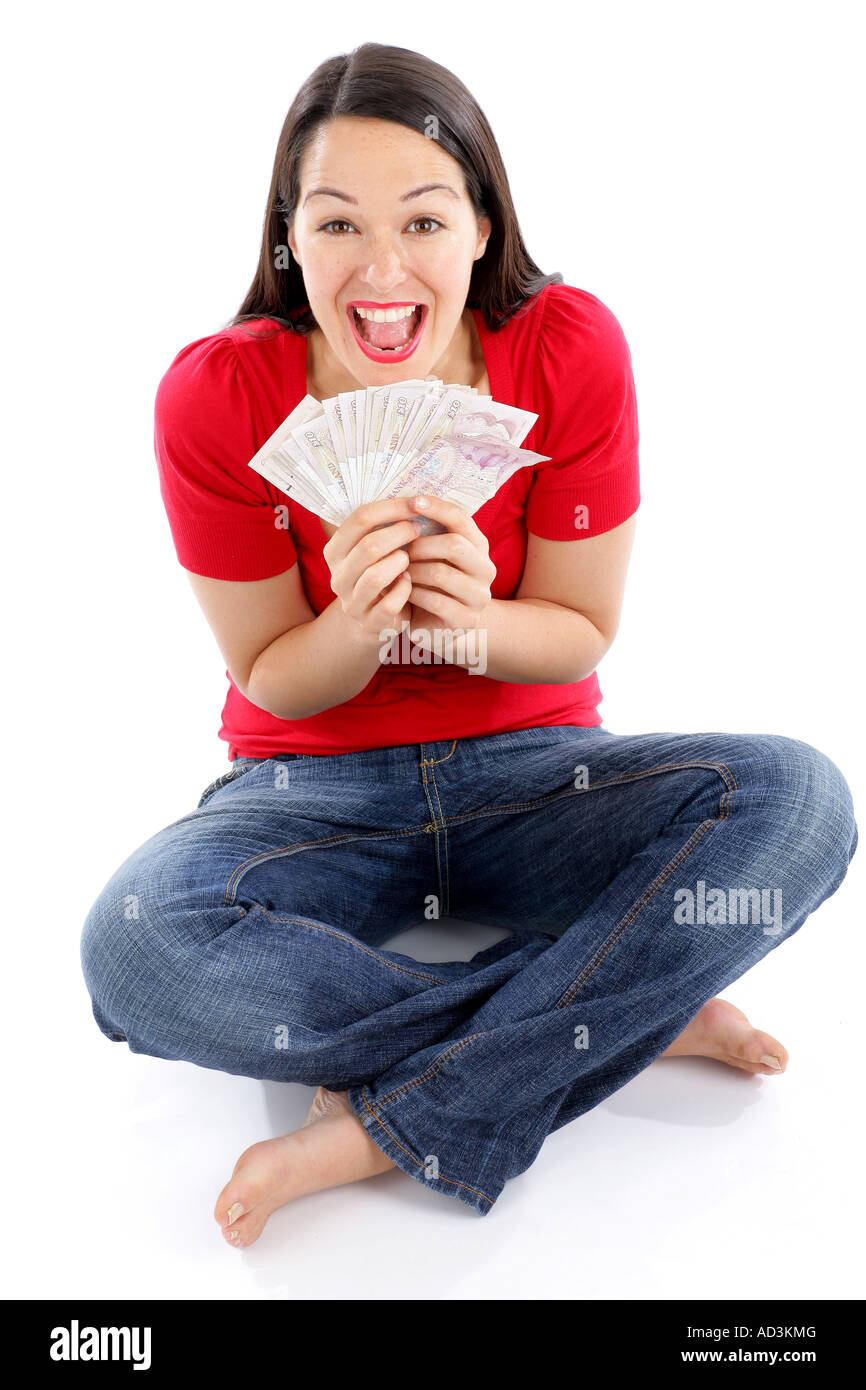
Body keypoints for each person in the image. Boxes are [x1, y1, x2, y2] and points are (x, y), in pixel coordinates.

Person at [80, 43, 858, 1249]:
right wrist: (353, 624)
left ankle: (392, 1107)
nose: (381, 270)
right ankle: (628, 1008)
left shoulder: (567, 348)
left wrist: (475, 623)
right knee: (137, 952)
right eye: (336, 224)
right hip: (304, 789)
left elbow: (581, 631)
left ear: (484, 227)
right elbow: (268, 673)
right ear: (288, 237)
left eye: (424, 220)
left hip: (538, 773)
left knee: (800, 798)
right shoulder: (215, 396)